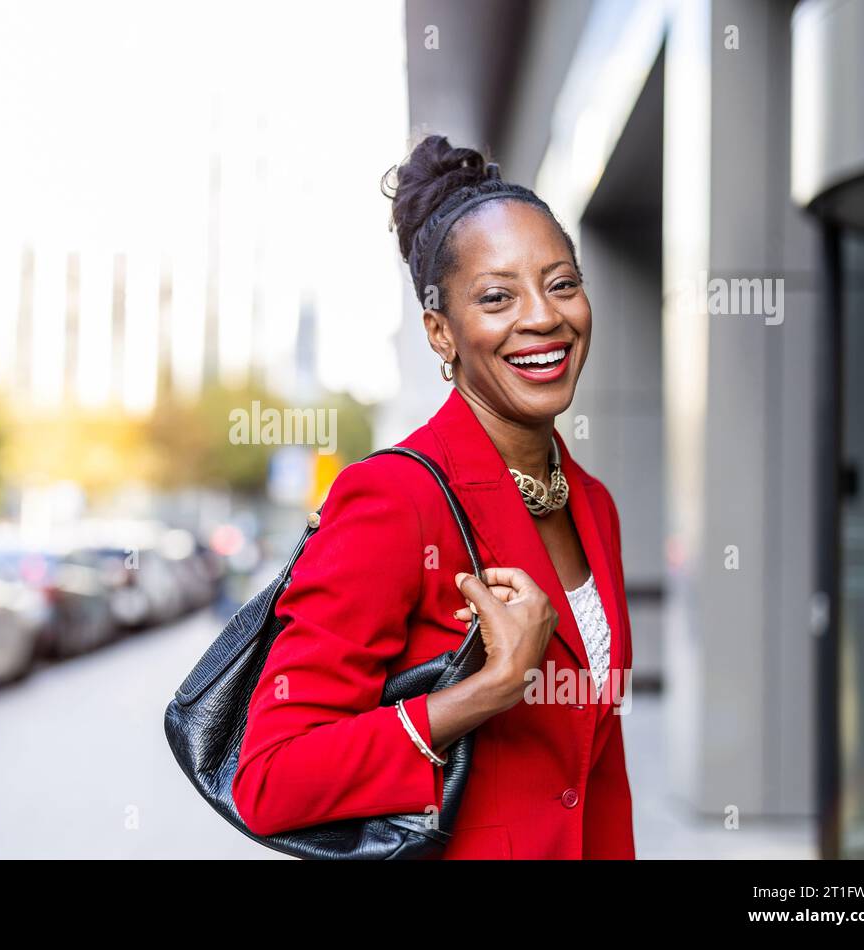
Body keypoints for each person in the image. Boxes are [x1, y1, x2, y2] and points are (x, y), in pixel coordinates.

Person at [230, 134, 635, 859]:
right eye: (496, 297)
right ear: (441, 333)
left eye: (562, 283)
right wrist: (488, 690)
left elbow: (593, 770)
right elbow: (269, 779)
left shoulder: (593, 504)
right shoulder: (393, 498)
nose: (543, 317)